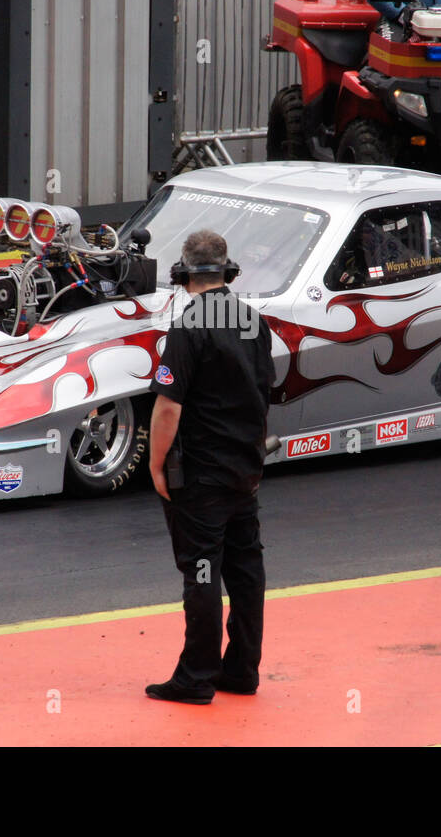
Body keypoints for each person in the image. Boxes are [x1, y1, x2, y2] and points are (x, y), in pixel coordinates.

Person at [145, 230, 276, 703]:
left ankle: (196, 676)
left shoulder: (187, 325)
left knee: (201, 571)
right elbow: (264, 391)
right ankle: (242, 669)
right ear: (228, 270)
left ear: (182, 272)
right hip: (247, 469)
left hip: (201, 476)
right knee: (245, 572)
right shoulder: (253, 321)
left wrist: (157, 465)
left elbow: (167, 407)